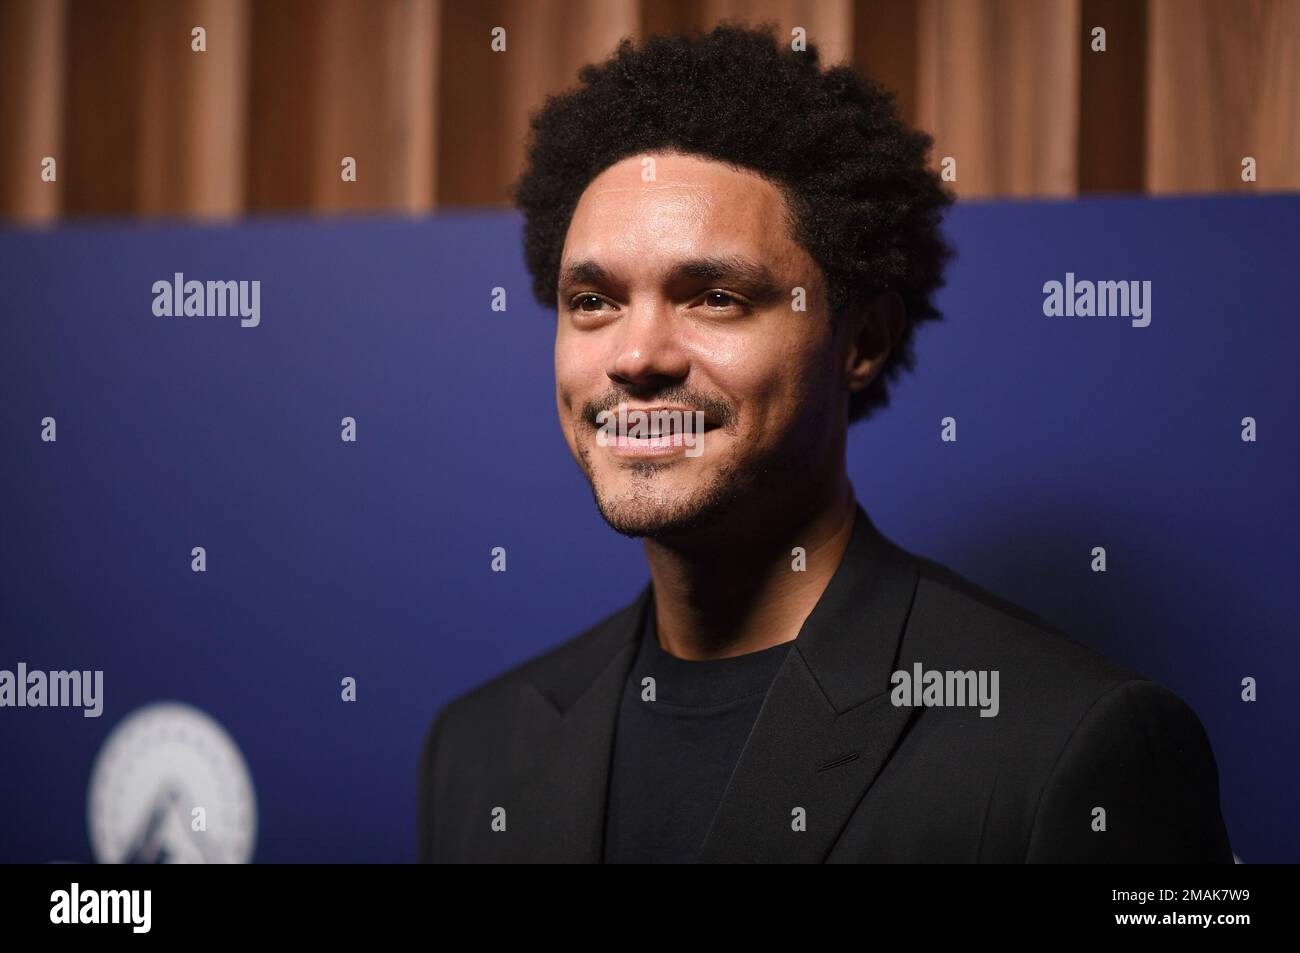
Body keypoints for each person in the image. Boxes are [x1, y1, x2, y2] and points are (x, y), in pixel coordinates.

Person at [417, 23, 1232, 863]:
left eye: (717, 296)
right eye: (592, 301)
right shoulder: (477, 755)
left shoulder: (1079, 742)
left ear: (863, 342)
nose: (635, 356)